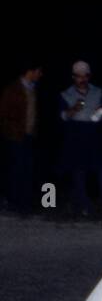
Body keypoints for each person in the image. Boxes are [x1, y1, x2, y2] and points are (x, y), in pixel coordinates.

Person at [59, 60, 102, 217]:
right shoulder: (66, 94)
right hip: (77, 134)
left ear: (89, 76)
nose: (82, 79)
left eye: (85, 76)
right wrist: (72, 110)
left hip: (97, 134)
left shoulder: (98, 91)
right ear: (73, 77)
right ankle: (83, 208)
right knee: (79, 174)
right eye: (79, 76)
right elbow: (62, 117)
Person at [1, 62, 43, 213]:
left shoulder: (32, 88)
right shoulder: (13, 89)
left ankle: (24, 203)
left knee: (27, 169)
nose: (40, 74)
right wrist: (11, 130)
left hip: (29, 135)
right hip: (15, 135)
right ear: (30, 71)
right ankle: (13, 202)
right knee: (16, 169)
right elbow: (4, 112)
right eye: (39, 71)